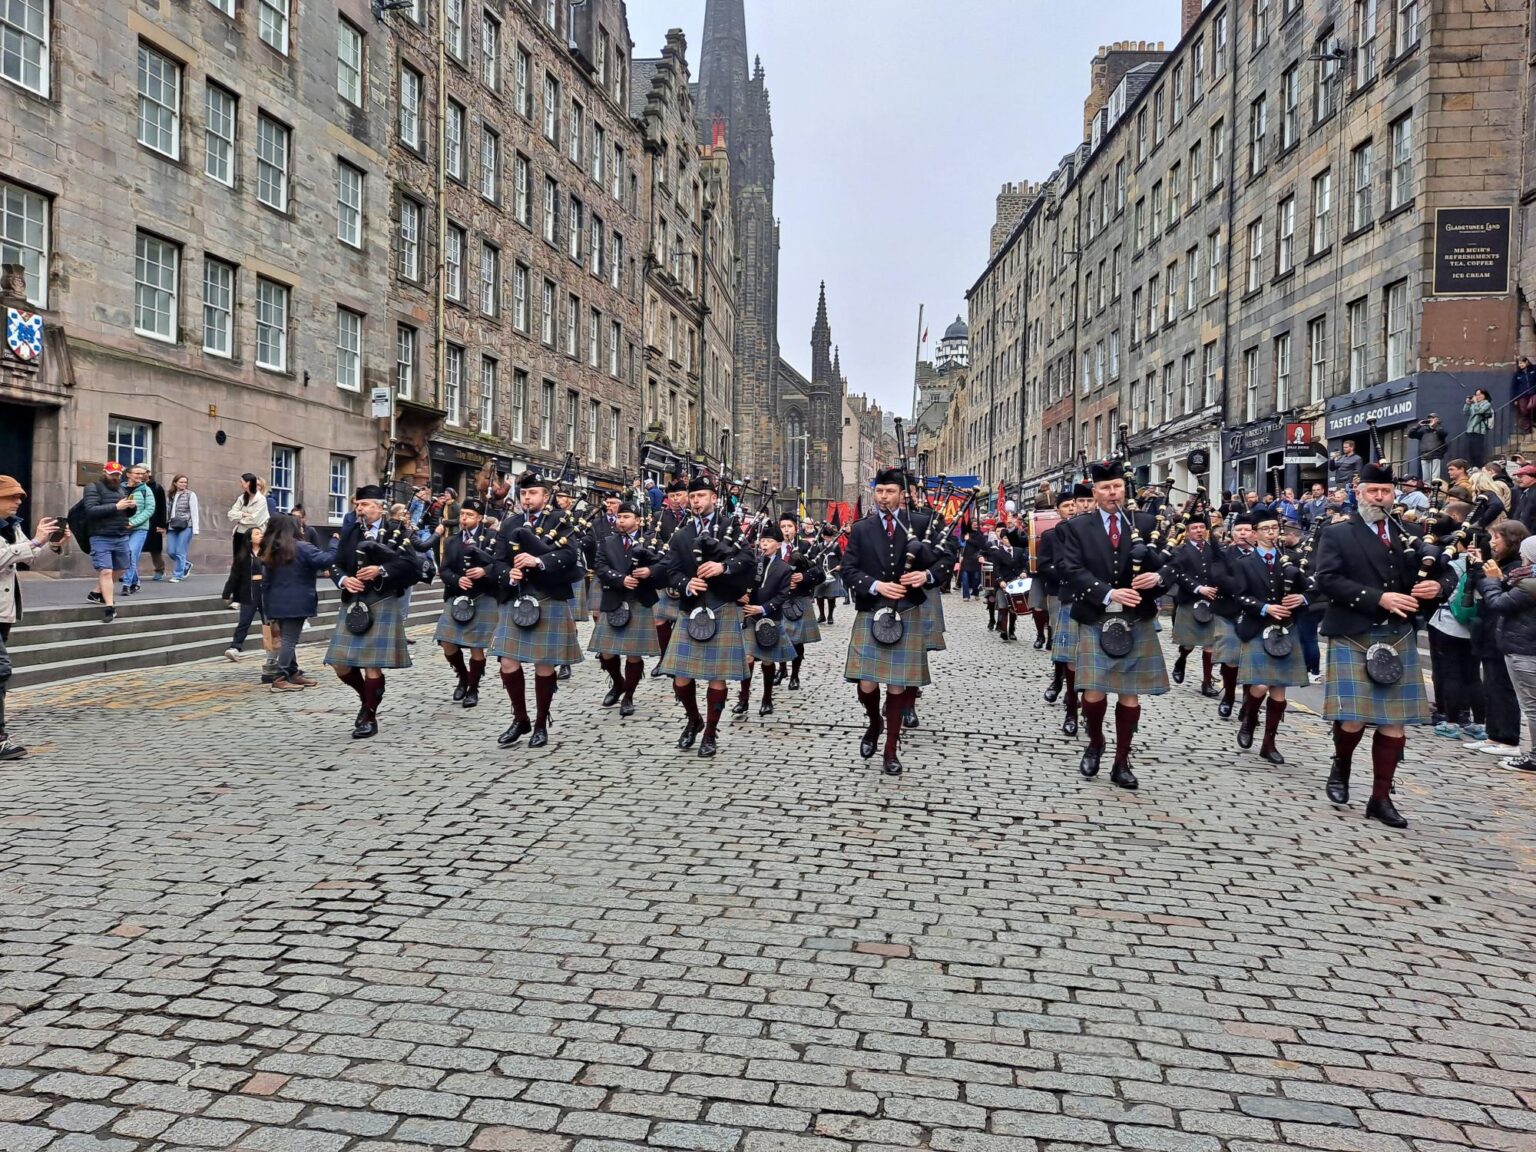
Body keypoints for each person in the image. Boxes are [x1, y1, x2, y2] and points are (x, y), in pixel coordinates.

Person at [1315, 463, 1456, 828]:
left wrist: (1437, 588)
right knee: (1353, 720)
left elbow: (1445, 570)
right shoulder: (1339, 533)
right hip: (1354, 630)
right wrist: (1378, 598)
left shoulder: (1410, 532)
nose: (1379, 498)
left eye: (1386, 492)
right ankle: (1341, 765)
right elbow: (1327, 580)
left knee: (1395, 723)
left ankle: (1380, 798)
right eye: (1373, 492)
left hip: (1398, 633)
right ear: (1359, 492)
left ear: (1394, 495)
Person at [1055, 461, 1171, 790]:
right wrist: (1107, 592)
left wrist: (1157, 577)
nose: (1112, 493)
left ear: (1125, 488)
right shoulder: (1078, 527)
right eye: (1105, 488)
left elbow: (1170, 566)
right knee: (1092, 692)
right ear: (1094, 492)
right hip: (1096, 614)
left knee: (1130, 695)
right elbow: (1072, 570)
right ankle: (1095, 742)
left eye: (1117, 487)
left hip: (1136, 617)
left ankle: (1122, 759)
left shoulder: (1146, 523)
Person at [841, 467, 946, 776]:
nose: (883, 497)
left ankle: (890, 748)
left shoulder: (922, 524)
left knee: (898, 686)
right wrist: (876, 585)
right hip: (873, 608)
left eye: (890, 492)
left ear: (903, 494)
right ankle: (875, 722)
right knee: (866, 682)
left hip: (907, 611)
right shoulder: (862, 528)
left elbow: (946, 558)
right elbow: (848, 569)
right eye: (879, 491)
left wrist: (925, 575)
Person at [652, 475, 754, 757]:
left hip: (721, 606)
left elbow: (748, 560)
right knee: (680, 679)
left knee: (716, 678)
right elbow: (671, 570)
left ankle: (710, 732)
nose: (696, 501)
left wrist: (724, 568)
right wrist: (686, 583)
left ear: (713, 498)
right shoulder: (682, 535)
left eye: (702, 496)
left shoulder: (730, 528)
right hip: (691, 608)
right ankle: (693, 719)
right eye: (693, 497)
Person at [490, 473, 584, 749]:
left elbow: (570, 557)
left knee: (544, 663)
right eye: (523, 494)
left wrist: (537, 561)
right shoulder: (510, 524)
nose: (527, 498)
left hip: (548, 596)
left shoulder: (560, 521)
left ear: (545, 496)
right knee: (508, 661)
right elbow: (496, 561)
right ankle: (521, 718)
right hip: (517, 598)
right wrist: (509, 574)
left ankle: (542, 722)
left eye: (533, 493)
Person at [323, 485, 420, 740]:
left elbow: (413, 568)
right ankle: (367, 698)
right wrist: (344, 579)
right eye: (357, 505)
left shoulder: (398, 532)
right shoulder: (351, 530)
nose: (360, 509)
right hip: (354, 600)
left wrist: (382, 570)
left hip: (382, 599)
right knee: (339, 663)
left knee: (371, 665)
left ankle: (369, 717)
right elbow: (335, 563)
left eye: (365, 504)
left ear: (380, 507)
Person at [1218, 508, 1312, 764]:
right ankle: (1249, 718)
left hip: (1285, 629)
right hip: (1258, 627)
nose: (1271, 533)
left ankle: (1269, 743)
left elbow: (1314, 590)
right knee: (1259, 685)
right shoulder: (1244, 563)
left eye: (1275, 528)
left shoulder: (1292, 560)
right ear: (1255, 534)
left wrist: (1302, 598)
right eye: (1266, 529)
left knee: (1279, 691)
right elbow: (1238, 595)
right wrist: (1264, 607)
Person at [0, 476, 64, 761]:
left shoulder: (11, 528)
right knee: (0, 670)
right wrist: (36, 539)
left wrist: (49, 543)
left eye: (19, 498)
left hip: (4, 611)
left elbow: (29, 558)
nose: (17, 501)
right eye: (12, 497)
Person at [587, 500, 661, 716]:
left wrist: (649, 571)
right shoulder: (608, 542)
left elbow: (662, 565)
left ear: (638, 520)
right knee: (606, 653)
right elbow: (600, 566)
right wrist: (620, 579)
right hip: (614, 598)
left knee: (633, 654)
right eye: (619, 517)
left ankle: (628, 695)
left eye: (626, 517)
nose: (621, 520)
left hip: (639, 600)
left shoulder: (651, 540)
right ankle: (618, 683)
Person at [1467, 520, 1527, 758]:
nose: (1492, 543)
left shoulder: (1516, 567)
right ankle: (1494, 734)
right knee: (1491, 684)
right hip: (1487, 629)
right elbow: (1479, 586)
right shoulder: (1498, 563)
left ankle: (1508, 736)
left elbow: (1502, 598)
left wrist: (1495, 578)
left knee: (1503, 687)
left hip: (1504, 632)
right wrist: (1477, 567)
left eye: (1496, 538)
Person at [434, 498, 501, 709]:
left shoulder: (492, 537)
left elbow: (501, 565)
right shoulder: (452, 540)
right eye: (462, 514)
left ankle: (473, 688)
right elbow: (444, 570)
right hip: (458, 595)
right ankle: (463, 677)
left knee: (476, 647)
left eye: (469, 515)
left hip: (484, 595)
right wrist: (456, 579)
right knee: (446, 641)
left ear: (480, 518)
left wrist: (484, 571)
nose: (464, 518)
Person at [257, 514, 336, 692]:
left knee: (287, 638)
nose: (302, 529)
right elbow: (326, 560)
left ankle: (293, 672)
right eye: (299, 526)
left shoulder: (271, 548)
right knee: (290, 640)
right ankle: (280, 676)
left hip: (275, 600)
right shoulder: (302, 547)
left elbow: (266, 581)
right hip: (298, 600)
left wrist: (267, 606)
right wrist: (334, 543)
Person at [1478, 532, 1536, 771]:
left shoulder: (1529, 583)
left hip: (1524, 647)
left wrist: (1491, 581)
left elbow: (1500, 603)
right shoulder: (1526, 579)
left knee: (1531, 705)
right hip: (1523, 644)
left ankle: (1533, 756)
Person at [735, 523, 797, 717]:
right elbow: (742, 584)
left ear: (777, 545)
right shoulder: (752, 563)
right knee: (748, 657)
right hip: (749, 617)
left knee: (768, 662)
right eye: (762, 541)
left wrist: (763, 608)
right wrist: (740, 595)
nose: (764, 544)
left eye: (768, 541)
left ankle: (767, 699)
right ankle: (743, 699)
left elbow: (783, 595)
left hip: (770, 619)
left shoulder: (785, 568)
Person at [1168, 513, 1221, 698]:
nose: (1198, 531)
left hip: (1211, 602)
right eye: (1194, 528)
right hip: (1190, 600)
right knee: (1189, 644)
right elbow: (1178, 574)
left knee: (1210, 645)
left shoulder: (1213, 548)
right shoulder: (1180, 551)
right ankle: (1181, 660)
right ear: (1188, 532)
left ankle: (1207, 682)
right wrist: (1199, 588)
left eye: (1201, 528)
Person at [1210, 513, 1257, 717]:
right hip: (1227, 611)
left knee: (1251, 661)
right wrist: (1246, 589)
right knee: (1230, 657)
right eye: (1239, 530)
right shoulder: (1222, 553)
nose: (1243, 533)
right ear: (1232, 533)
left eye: (1247, 530)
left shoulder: (1264, 554)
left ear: (1254, 534)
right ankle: (1229, 696)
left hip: (1256, 615)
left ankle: (1248, 703)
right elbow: (1219, 577)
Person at [82, 461, 135, 622]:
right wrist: (116, 506)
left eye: (118, 475)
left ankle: (96, 593)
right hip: (100, 535)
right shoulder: (93, 487)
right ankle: (109, 608)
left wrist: (132, 507)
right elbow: (90, 511)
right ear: (104, 472)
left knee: (122, 568)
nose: (115, 477)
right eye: (112, 474)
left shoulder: (121, 489)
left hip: (120, 534)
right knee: (105, 570)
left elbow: (127, 513)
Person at [772, 514, 821, 689]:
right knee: (779, 637)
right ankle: (782, 669)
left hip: (798, 599)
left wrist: (804, 576)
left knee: (796, 640)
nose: (786, 530)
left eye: (789, 526)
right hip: (778, 599)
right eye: (783, 526)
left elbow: (820, 572)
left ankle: (794, 675)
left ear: (796, 529)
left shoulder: (806, 546)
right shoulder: (774, 547)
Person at [222, 527, 270, 674]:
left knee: (268, 623)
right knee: (244, 621)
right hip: (249, 592)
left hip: (266, 592)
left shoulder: (268, 553)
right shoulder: (243, 556)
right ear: (250, 538)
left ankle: (272, 651)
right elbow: (234, 576)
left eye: (261, 533)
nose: (260, 535)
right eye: (257, 533)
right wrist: (227, 593)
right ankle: (235, 647)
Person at [228, 474, 271, 601]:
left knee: (252, 565)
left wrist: (240, 517)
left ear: (248, 483)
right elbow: (230, 514)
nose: (240, 484)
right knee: (238, 565)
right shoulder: (242, 498)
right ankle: (236, 598)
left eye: (242, 482)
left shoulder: (261, 500)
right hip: (240, 534)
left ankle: (254, 596)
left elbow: (256, 520)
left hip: (255, 536)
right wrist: (244, 514)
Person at [985, 527, 1027, 643]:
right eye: (1005, 538)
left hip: (1016, 582)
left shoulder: (1019, 550)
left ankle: (1012, 629)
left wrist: (1024, 572)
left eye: (1009, 538)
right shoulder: (997, 553)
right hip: (1003, 583)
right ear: (1002, 540)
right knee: (1003, 607)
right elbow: (996, 569)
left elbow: (1024, 564)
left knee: (1013, 608)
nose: (1007, 540)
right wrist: (1000, 580)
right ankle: (1004, 630)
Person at [120, 464, 155, 595]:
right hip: (122, 528)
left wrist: (133, 522)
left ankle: (126, 584)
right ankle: (135, 581)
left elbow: (149, 509)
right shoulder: (120, 489)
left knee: (131, 554)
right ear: (128, 474)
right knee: (126, 555)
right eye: (137, 473)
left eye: (142, 474)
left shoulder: (146, 490)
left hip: (139, 529)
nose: (140, 476)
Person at [163, 474, 199, 582]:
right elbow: (168, 511)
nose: (183, 484)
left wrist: (195, 528)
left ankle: (178, 575)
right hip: (172, 525)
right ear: (175, 483)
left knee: (180, 551)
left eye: (185, 482)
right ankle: (186, 564)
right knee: (171, 551)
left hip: (186, 525)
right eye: (181, 482)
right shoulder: (170, 495)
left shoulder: (190, 495)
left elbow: (194, 512)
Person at [814, 523, 845, 625]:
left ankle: (830, 615)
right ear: (823, 536)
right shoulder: (819, 547)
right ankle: (822, 615)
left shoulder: (836, 546)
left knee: (831, 597)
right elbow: (815, 559)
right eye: (827, 537)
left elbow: (841, 559)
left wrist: (839, 566)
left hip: (833, 574)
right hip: (821, 574)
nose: (828, 539)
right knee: (819, 596)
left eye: (830, 537)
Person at [1408, 414, 1449, 485]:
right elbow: (1410, 434)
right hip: (1424, 455)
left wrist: (1435, 426)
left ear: (1437, 419)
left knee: (1435, 477)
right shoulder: (1424, 431)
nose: (1430, 420)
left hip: (1436, 455)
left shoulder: (1440, 428)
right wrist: (1418, 426)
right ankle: (1427, 491)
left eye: (1432, 418)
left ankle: (1435, 490)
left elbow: (1443, 434)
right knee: (1426, 479)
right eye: (1429, 418)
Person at [1463, 389, 1494, 467]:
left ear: (1485, 395)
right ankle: (1473, 467)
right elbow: (1466, 412)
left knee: (1477, 452)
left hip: (1479, 430)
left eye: (1480, 395)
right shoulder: (1474, 404)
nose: (1478, 397)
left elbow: (1479, 411)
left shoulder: (1487, 404)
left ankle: (1478, 467)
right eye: (1476, 395)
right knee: (1470, 452)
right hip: (1470, 430)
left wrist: (1475, 403)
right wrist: (1467, 404)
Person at [1514, 355, 1536, 433]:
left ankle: (1534, 420)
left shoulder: (1533, 369)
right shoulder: (1518, 374)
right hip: (1522, 395)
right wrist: (1515, 399)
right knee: (1523, 411)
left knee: (1532, 406)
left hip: (1533, 393)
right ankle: (1528, 427)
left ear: (1526, 362)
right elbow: (1515, 387)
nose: (1520, 365)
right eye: (1519, 363)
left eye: (1522, 363)